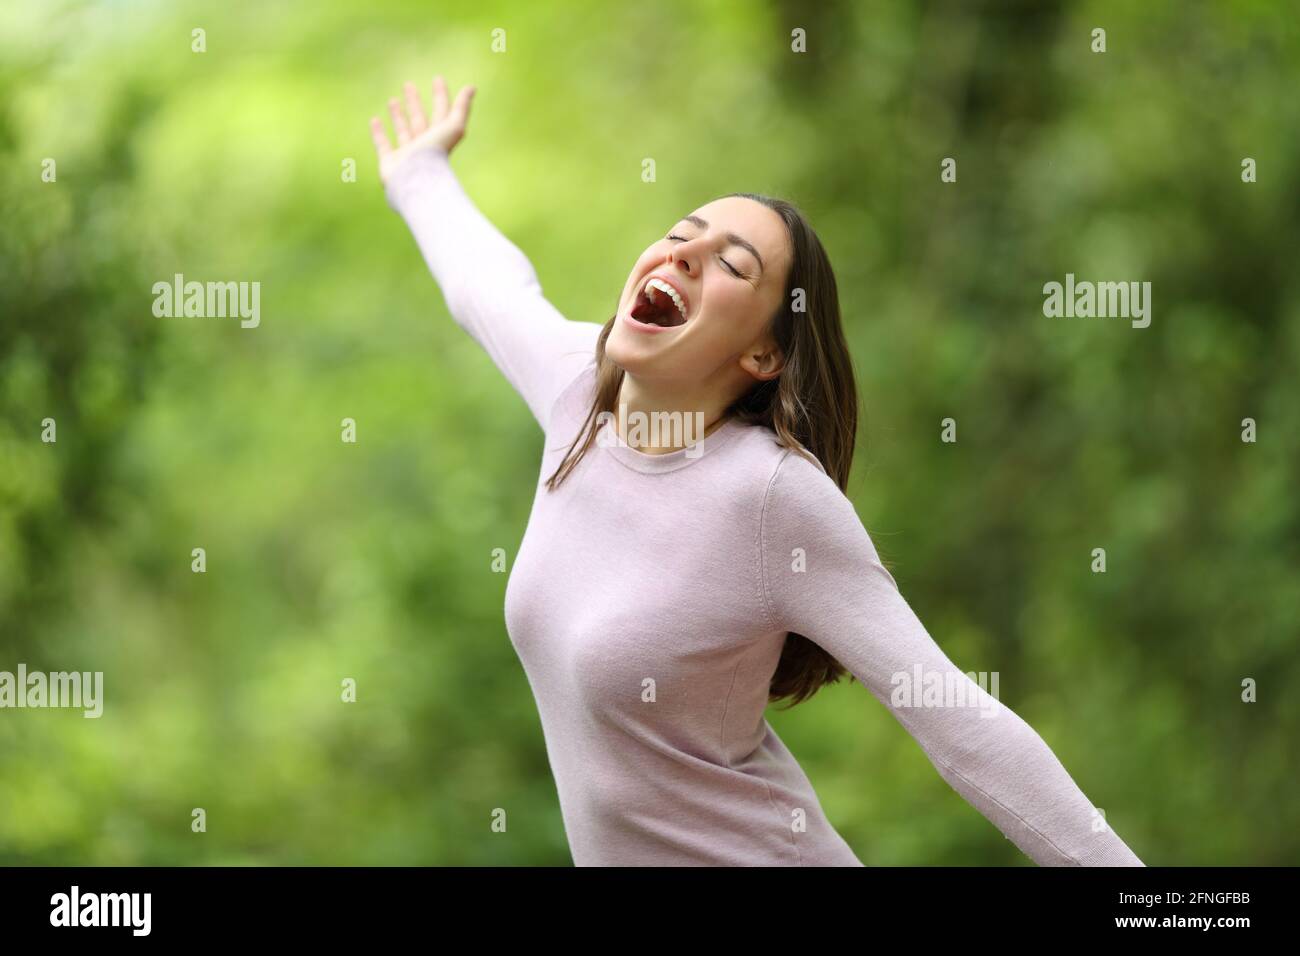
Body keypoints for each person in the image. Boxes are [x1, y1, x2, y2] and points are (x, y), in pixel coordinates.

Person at [368, 76, 1146, 867]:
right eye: (682, 233)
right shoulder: (579, 389)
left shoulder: (772, 499)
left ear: (764, 354)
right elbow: (488, 287)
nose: (685, 254)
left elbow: (957, 719)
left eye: (731, 265)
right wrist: (417, 174)